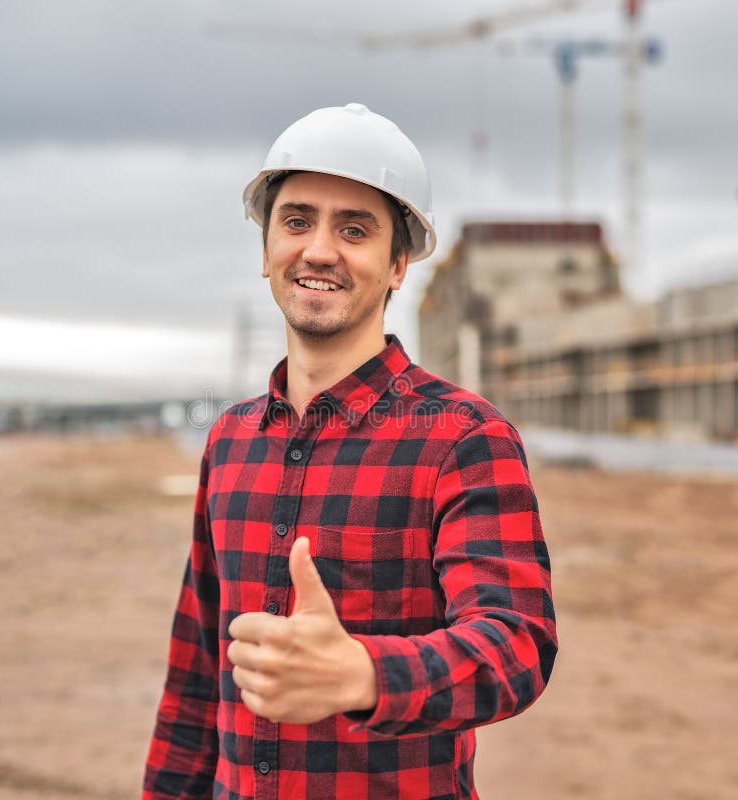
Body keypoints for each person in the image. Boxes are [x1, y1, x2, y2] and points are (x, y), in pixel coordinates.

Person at [143, 103, 557, 800]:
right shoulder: (231, 442)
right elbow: (195, 677)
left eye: (355, 230)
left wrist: (362, 674)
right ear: (267, 246)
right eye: (297, 221)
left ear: (398, 265)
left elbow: (517, 644)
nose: (319, 250)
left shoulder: (461, 437)